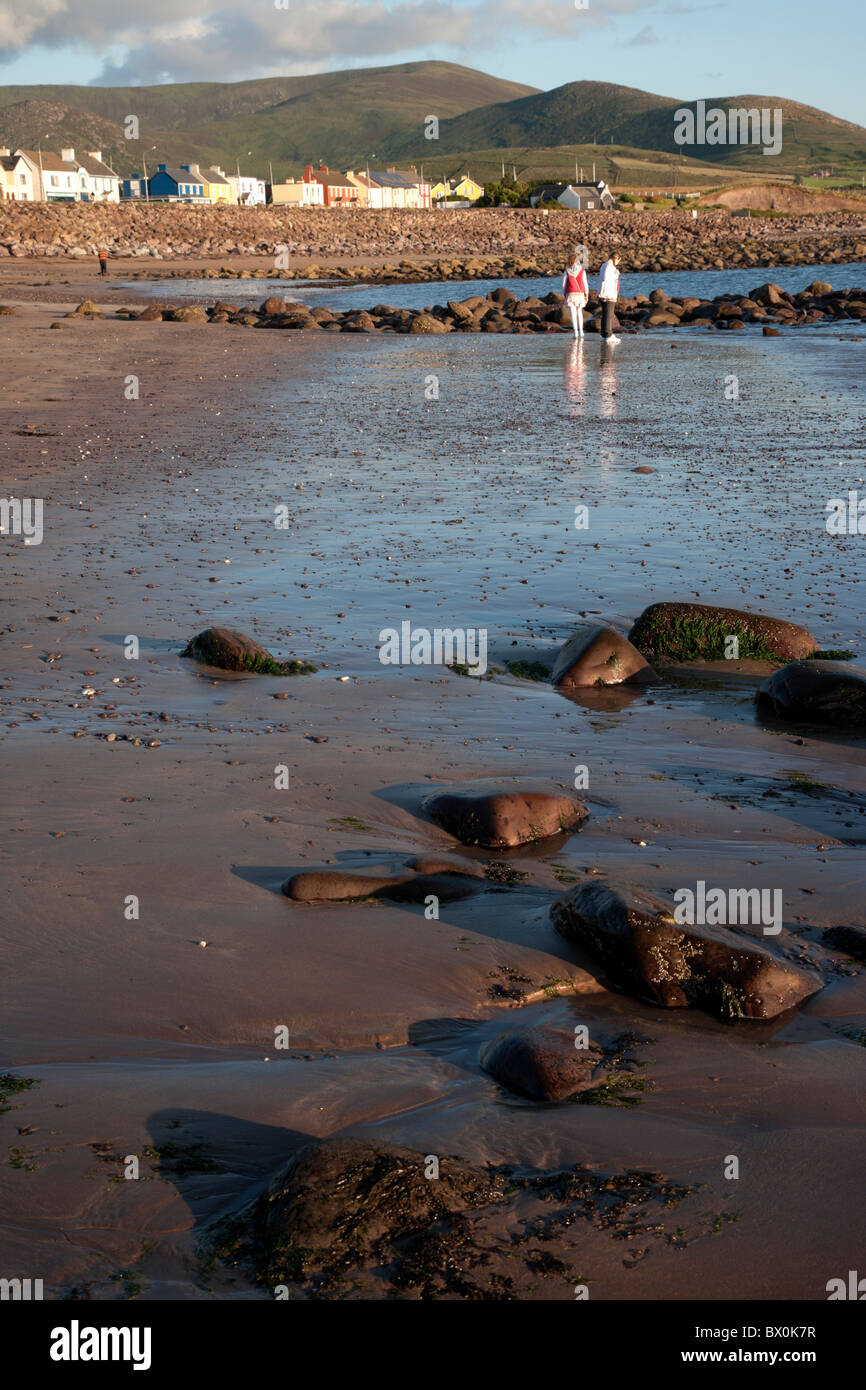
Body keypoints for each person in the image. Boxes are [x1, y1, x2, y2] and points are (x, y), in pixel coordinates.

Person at [561, 249, 588, 339]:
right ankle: (581, 332)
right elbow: (585, 283)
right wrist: (586, 294)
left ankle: (575, 333)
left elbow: (563, 284)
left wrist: (564, 294)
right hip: (580, 293)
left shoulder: (567, 270)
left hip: (570, 293)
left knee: (573, 313)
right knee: (579, 313)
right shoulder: (582, 270)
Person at [597, 251, 621, 344]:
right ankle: (608, 335)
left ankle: (604, 334)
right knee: (608, 315)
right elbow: (606, 278)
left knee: (605, 314)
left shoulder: (604, 265)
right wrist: (616, 274)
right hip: (608, 294)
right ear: (616, 259)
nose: (618, 263)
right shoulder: (609, 267)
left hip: (603, 293)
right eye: (618, 261)